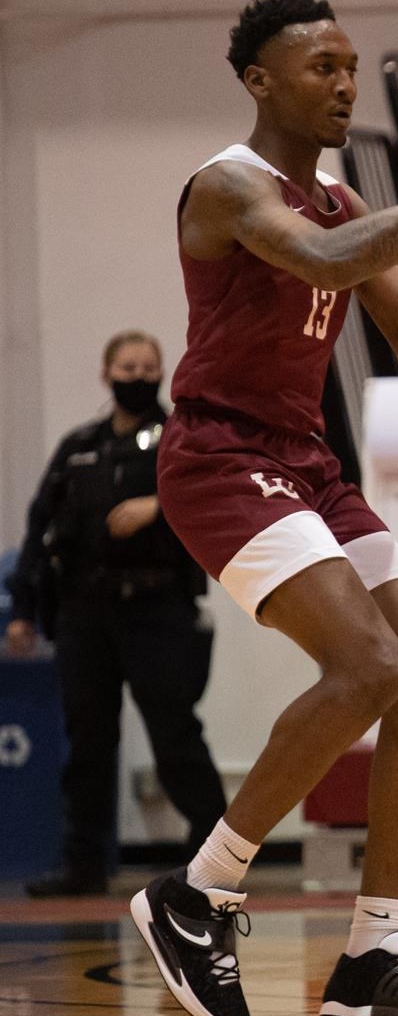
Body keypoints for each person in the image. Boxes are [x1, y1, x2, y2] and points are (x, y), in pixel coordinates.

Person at [128, 0, 398, 1016]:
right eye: (320, 66)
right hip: (221, 455)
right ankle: (200, 893)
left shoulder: (339, 193)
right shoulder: (227, 188)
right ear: (260, 80)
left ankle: (372, 957)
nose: (343, 83)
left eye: (351, 65)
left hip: (307, 459)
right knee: (367, 667)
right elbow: (323, 262)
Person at [5, 331, 226, 898]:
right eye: (128, 366)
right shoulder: (79, 446)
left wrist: (157, 505)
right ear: (107, 374)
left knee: (175, 734)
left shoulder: (180, 436)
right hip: (85, 613)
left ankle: (213, 863)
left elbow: (213, 492)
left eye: (149, 366)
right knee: (88, 740)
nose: (139, 375)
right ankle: (84, 864)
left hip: (158, 608)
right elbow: (39, 530)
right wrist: (23, 610)